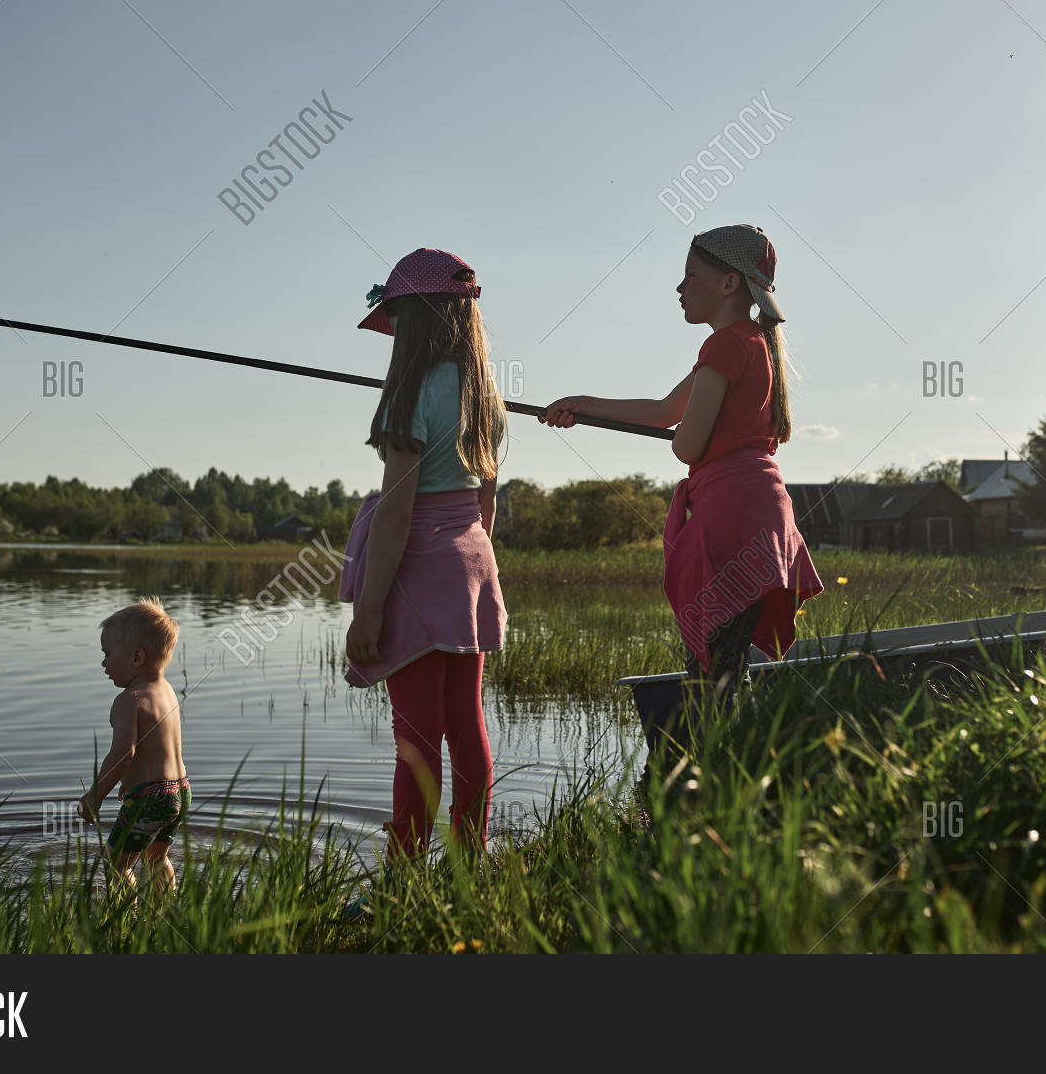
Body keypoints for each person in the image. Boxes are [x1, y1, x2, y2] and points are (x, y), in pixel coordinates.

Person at [542, 224, 823, 753]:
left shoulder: (721, 345)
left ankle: (711, 783)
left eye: (691, 275)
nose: (679, 287)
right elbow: (665, 412)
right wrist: (584, 404)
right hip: (761, 515)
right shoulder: (751, 342)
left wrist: (686, 439)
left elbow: (685, 445)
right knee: (725, 665)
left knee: (712, 671)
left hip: (731, 521)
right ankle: (719, 779)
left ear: (729, 284)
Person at [340, 248, 507, 860]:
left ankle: (405, 873)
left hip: (419, 567)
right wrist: (476, 560)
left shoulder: (408, 398)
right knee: (467, 723)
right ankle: (470, 860)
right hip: (472, 560)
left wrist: (370, 611)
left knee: (415, 735)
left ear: (413, 321)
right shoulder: (484, 395)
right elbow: (485, 504)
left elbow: (397, 516)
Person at [78, 597, 189, 897]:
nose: (104, 662)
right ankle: (163, 909)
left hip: (150, 798)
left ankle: (125, 923)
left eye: (108, 654)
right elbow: (157, 750)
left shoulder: (130, 700)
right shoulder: (166, 693)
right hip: (179, 791)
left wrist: (95, 795)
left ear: (137, 658)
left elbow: (124, 753)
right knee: (156, 858)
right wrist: (133, 783)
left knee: (115, 863)